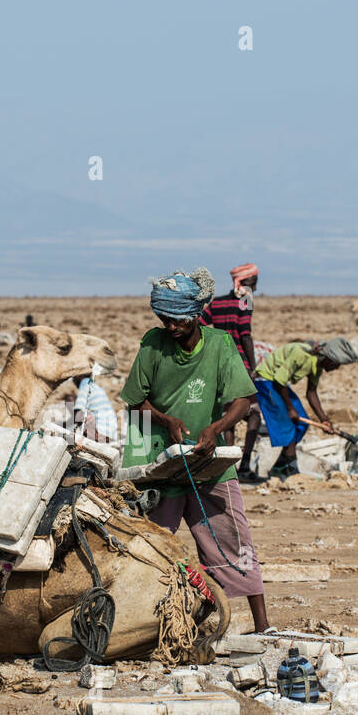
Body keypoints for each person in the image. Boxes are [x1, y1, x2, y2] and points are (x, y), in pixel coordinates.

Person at [120, 267, 270, 635]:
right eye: (165, 319)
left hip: (207, 458)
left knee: (233, 538)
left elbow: (245, 399)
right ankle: (143, 625)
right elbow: (134, 403)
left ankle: (263, 625)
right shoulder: (153, 344)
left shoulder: (219, 344)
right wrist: (165, 420)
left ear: (196, 316)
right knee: (149, 545)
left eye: (179, 321)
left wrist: (216, 428)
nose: (171, 327)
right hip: (156, 455)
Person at [252, 338, 358, 480]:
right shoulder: (301, 354)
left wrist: (324, 420)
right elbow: (279, 380)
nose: (336, 368)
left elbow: (311, 393)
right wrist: (290, 409)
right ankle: (291, 470)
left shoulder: (317, 365)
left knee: (302, 423)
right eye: (336, 364)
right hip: (266, 381)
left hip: (280, 384)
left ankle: (280, 466)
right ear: (328, 358)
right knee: (288, 426)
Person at [203, 263, 263, 480]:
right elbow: (246, 334)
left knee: (228, 415)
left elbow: (200, 323)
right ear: (243, 282)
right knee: (253, 412)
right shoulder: (245, 300)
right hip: (239, 365)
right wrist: (252, 366)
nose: (255, 286)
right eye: (253, 282)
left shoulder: (217, 303)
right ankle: (245, 464)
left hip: (219, 366)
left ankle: (229, 467)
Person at [65, 374, 119, 443]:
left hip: (101, 433)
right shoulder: (96, 387)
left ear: (79, 375)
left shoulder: (85, 382)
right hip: (111, 435)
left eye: (73, 376)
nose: (73, 380)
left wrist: (64, 426)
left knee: (82, 416)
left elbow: (78, 413)